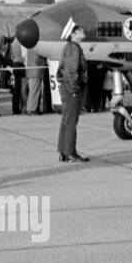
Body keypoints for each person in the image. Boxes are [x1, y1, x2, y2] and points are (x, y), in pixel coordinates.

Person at [56, 22, 90, 162]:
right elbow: (71, 71)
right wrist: (75, 89)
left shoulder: (71, 47)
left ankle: (64, 152)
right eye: (80, 30)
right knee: (71, 121)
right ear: (73, 34)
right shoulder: (73, 49)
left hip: (67, 88)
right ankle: (70, 153)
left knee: (66, 120)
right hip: (71, 89)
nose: (83, 31)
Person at [8, 35, 26, 114]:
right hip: (21, 65)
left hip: (15, 64)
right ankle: (22, 107)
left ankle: (15, 108)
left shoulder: (13, 43)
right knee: (22, 88)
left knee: (16, 89)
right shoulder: (22, 42)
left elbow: (11, 56)